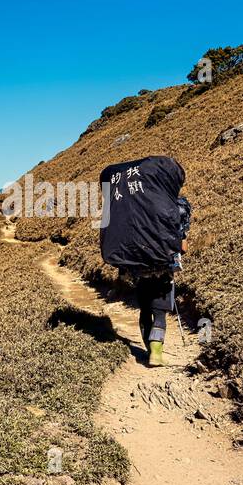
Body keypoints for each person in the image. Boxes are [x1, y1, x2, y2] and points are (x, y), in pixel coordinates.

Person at [97, 155, 191, 368]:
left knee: (145, 308)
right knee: (159, 311)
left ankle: (148, 349)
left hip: (137, 267)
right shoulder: (177, 207)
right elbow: (182, 246)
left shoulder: (138, 205)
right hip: (162, 267)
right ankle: (156, 353)